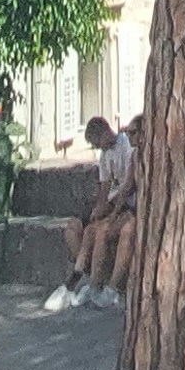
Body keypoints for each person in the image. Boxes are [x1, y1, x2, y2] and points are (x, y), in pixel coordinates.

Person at [45, 114, 136, 310]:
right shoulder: (105, 155)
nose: (97, 148)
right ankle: (82, 280)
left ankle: (98, 286)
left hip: (127, 203)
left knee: (102, 231)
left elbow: (127, 186)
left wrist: (112, 215)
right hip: (113, 201)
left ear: (104, 133)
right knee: (85, 230)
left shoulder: (126, 146)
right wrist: (100, 208)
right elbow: (105, 186)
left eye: (96, 142)